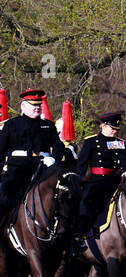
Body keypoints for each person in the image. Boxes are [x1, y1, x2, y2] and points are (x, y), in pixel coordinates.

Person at [0, 89, 75, 221]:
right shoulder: (12, 125)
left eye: (39, 105)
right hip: (18, 170)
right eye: (33, 105)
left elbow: (59, 147)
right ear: (23, 106)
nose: (37, 108)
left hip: (44, 169)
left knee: (67, 194)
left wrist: (53, 158)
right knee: (5, 199)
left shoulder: (48, 125)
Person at [74, 112, 126, 240]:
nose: (114, 132)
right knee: (85, 201)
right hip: (95, 180)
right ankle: (81, 233)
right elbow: (81, 164)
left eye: (116, 129)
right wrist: (78, 180)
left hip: (114, 181)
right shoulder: (91, 141)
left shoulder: (119, 143)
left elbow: (124, 159)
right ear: (103, 126)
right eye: (112, 128)